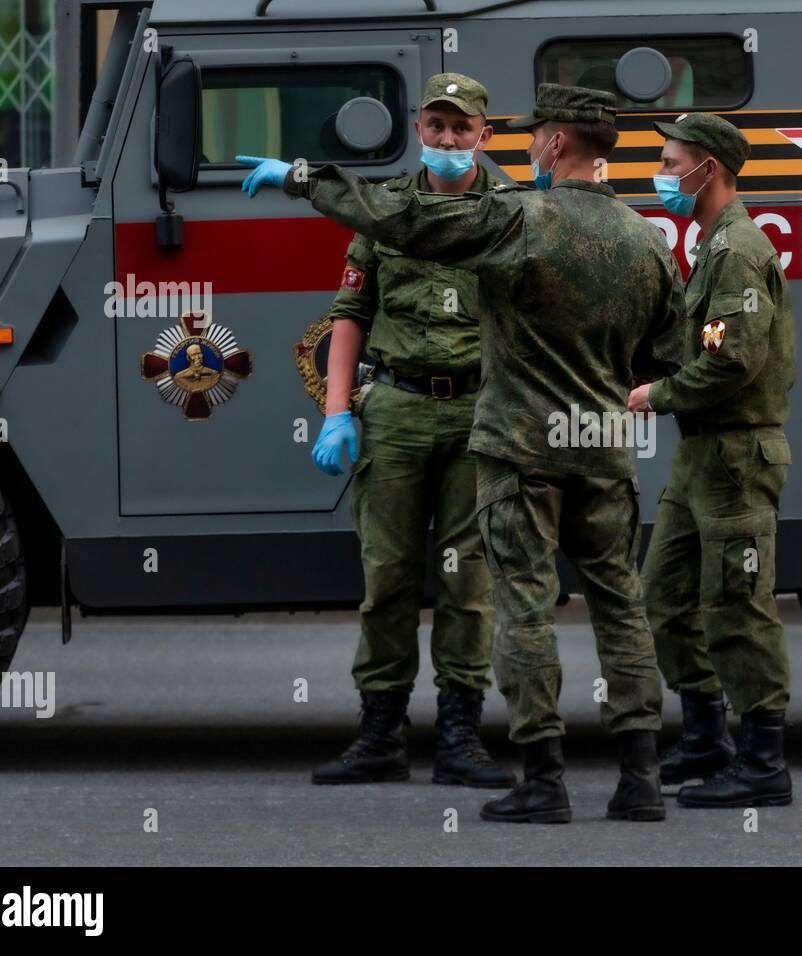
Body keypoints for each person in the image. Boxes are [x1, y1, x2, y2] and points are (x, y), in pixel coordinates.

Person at [240, 84, 684, 823]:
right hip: (603, 448)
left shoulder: (517, 217)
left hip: (520, 447)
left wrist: (300, 179)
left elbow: (405, 218)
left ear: (558, 144)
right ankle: (640, 779)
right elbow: (664, 358)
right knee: (621, 606)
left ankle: (543, 778)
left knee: (523, 607)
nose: (532, 142)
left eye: (539, 133)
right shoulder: (647, 240)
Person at [252, 73, 515, 790]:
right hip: (396, 411)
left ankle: (461, 735)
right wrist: (338, 411)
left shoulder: (515, 215)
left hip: (477, 416)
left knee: (468, 583)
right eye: (437, 126)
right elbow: (350, 316)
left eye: (463, 129)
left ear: (485, 136)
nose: (450, 140)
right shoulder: (384, 209)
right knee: (389, 578)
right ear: (418, 129)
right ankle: (380, 734)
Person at [627, 112, 798, 808]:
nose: (663, 175)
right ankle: (706, 735)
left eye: (672, 163)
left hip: (734, 456)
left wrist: (656, 394)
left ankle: (764, 763)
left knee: (737, 604)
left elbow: (733, 361)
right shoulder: (711, 244)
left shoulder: (736, 248)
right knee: (664, 598)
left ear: (711, 169)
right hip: (700, 458)